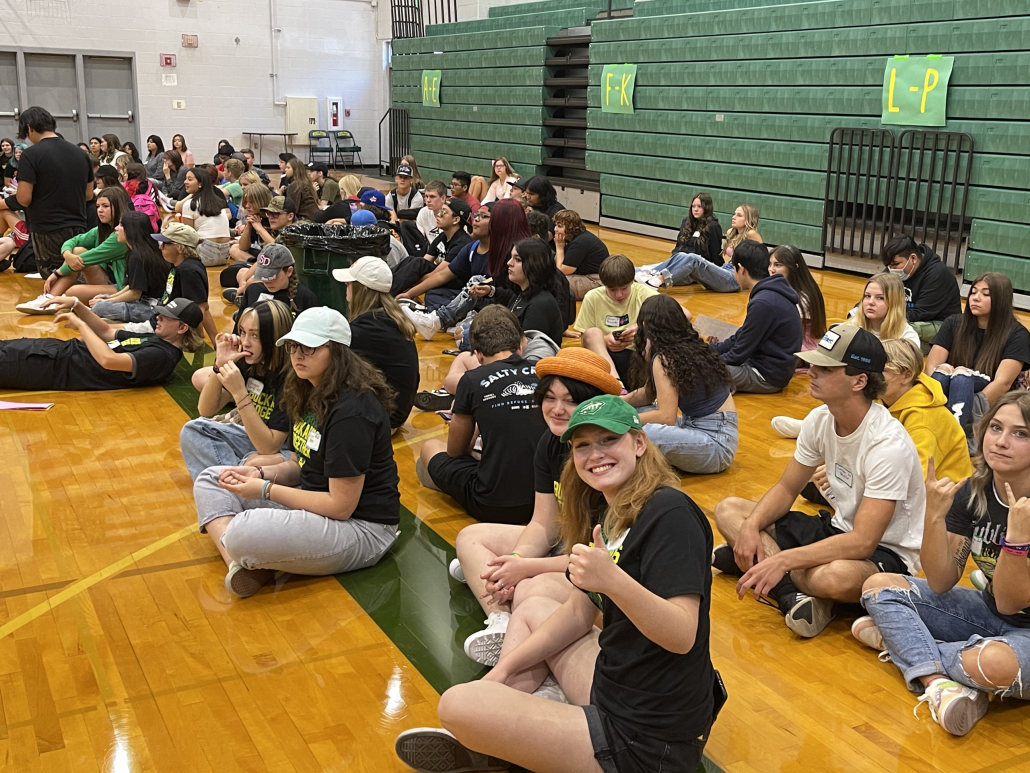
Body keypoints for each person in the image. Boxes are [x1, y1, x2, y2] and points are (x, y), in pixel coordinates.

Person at [396, 394, 717, 773]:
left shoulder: (670, 513)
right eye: (583, 446)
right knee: (533, 610)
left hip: (648, 739)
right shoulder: (615, 511)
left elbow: (681, 635)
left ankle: (523, 735)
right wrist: (499, 674)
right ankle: (536, 717)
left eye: (608, 440)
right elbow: (578, 614)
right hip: (619, 684)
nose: (595, 454)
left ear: (639, 443)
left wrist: (612, 580)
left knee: (455, 706)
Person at [713, 324, 925, 637]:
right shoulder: (820, 418)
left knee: (834, 577)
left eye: (825, 368)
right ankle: (792, 595)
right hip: (836, 530)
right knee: (730, 510)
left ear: (859, 381)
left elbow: (864, 541)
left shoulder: (888, 444)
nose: (811, 371)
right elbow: (787, 489)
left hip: (884, 553)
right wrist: (750, 526)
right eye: (813, 363)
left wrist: (782, 559)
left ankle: (763, 567)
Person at [191, 306, 401, 598]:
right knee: (211, 479)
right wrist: (261, 473)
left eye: (310, 347)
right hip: (315, 503)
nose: (298, 354)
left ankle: (253, 555)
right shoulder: (306, 388)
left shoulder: (353, 411)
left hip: (361, 528)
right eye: (293, 346)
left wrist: (265, 489)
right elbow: (300, 464)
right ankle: (242, 565)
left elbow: (340, 506)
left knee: (242, 532)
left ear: (337, 351)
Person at [855, 392, 1030, 737]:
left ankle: (904, 647)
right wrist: (934, 516)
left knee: (992, 663)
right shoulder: (975, 492)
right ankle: (940, 682)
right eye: (996, 428)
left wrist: (1017, 542)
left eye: (1020, 433)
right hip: (991, 613)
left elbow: (1013, 600)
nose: (1001, 441)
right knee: (880, 587)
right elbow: (940, 580)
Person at [450, 348, 621, 664]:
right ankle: (502, 620)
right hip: (565, 549)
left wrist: (525, 568)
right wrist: (514, 560)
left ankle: (531, 638)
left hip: (605, 571)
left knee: (531, 586)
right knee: (470, 538)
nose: (557, 409)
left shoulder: (606, 457)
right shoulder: (550, 443)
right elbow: (544, 523)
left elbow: (607, 557)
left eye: (570, 400)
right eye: (550, 398)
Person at [415, 306, 547, 525]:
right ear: (520, 347)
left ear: (477, 354)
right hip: (548, 501)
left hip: (493, 505)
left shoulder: (473, 380)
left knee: (430, 448)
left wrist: (471, 415)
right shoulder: (544, 373)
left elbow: (456, 451)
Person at [624, 294, 738, 474]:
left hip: (716, 445)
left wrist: (619, 419)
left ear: (644, 326)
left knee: (647, 431)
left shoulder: (665, 358)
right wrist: (617, 403)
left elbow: (666, 418)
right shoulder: (684, 347)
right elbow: (648, 394)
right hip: (701, 431)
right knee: (636, 412)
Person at [180, 300, 294, 479]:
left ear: (275, 337)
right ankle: (235, 477)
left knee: (257, 460)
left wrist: (240, 393)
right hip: (253, 436)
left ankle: (229, 479)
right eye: (243, 332)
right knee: (193, 431)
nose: (245, 342)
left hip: (279, 446)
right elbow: (206, 409)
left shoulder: (291, 377)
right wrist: (220, 365)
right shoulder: (249, 360)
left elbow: (269, 447)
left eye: (255, 336)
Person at [0, 296, 203, 391]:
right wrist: (76, 304)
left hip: (52, 367)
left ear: (182, 328)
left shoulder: (161, 357)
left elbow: (108, 360)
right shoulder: (156, 338)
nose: (158, 317)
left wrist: (81, 326)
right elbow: (107, 332)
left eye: (166, 316)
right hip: (55, 352)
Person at [401, 200, 530, 343]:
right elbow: (442, 275)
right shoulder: (472, 247)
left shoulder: (515, 251)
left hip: (502, 307)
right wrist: (409, 293)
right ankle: (447, 318)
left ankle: (444, 319)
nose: (476, 219)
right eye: (476, 215)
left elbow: (518, 296)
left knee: (464, 341)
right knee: (432, 289)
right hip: (482, 299)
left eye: (484, 216)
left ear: (500, 222)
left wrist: (491, 291)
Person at [926, 272, 1030, 441]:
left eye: (985, 294)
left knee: (961, 375)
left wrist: (969, 407)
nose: (975, 298)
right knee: (943, 370)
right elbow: (931, 368)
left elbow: (1003, 383)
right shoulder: (953, 322)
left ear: (1001, 300)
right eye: (973, 292)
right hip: (949, 395)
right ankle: (932, 423)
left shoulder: (1016, 333)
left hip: (988, 403)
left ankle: (956, 434)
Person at [333, 256, 420, 431]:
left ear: (361, 289)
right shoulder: (387, 317)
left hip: (385, 419)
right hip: (395, 411)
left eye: (349, 282)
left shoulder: (369, 327)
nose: (345, 285)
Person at [17, 187, 130, 311]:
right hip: (107, 280)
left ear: (118, 207)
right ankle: (49, 299)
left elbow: (89, 257)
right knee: (77, 251)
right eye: (97, 206)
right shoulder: (101, 231)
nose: (100, 210)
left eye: (105, 206)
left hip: (123, 288)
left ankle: (52, 301)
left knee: (73, 292)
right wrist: (67, 254)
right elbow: (73, 241)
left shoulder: (122, 235)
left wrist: (56, 273)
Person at [711, 240, 802, 394]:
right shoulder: (766, 294)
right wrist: (711, 350)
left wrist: (704, 359)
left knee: (698, 369)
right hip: (762, 365)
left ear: (741, 269)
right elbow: (741, 336)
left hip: (767, 376)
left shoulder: (764, 302)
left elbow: (737, 355)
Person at [14, 106, 94, 276]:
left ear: (29, 127)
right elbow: (88, 195)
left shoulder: (30, 155)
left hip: (47, 228)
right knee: (75, 275)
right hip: (79, 224)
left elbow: (24, 199)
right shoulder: (80, 154)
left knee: (53, 278)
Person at [123, 222, 217, 345]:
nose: (160, 247)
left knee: (108, 330)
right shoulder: (179, 265)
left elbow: (201, 308)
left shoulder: (188, 271)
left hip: (166, 328)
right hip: (159, 319)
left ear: (181, 248)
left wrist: (212, 342)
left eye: (165, 244)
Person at [575, 253, 658, 388]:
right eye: (612, 290)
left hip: (638, 356)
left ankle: (645, 387)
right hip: (605, 357)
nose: (619, 294)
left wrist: (640, 328)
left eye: (624, 288)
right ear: (603, 285)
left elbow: (683, 314)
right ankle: (617, 386)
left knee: (656, 332)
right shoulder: (592, 297)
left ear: (632, 282)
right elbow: (585, 341)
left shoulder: (642, 293)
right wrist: (605, 340)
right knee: (592, 333)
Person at [633, 194, 733, 290]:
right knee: (641, 269)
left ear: (707, 208)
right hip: (678, 261)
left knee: (648, 273)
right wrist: (671, 262)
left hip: (690, 271)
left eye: (699, 206)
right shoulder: (686, 221)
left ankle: (650, 278)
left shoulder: (713, 226)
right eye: (693, 206)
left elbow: (716, 254)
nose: (695, 209)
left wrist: (719, 273)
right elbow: (677, 248)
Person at [881, 234, 962, 346]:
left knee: (899, 329)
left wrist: (882, 317)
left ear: (913, 258)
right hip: (905, 317)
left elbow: (920, 313)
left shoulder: (937, 274)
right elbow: (875, 290)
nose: (891, 270)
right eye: (889, 266)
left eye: (895, 264)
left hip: (937, 323)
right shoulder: (893, 268)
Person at [90, 211, 170, 322]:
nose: (116, 229)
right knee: (102, 298)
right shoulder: (142, 250)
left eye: (121, 225)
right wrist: (108, 298)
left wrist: (106, 302)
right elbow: (132, 285)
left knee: (99, 307)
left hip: (151, 308)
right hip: (147, 302)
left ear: (131, 230)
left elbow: (135, 294)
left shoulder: (137, 257)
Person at [489, 237, 566, 345]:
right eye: (511, 257)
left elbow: (525, 348)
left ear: (535, 265)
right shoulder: (522, 293)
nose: (509, 263)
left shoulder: (540, 304)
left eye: (518, 259)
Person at [233, 244, 320, 329]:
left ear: (289, 271)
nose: (267, 282)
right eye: (263, 275)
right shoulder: (253, 290)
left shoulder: (306, 298)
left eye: (272, 277)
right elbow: (238, 332)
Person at [768, 243, 826, 351]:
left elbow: (786, 332)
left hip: (803, 346)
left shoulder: (804, 297)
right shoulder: (783, 288)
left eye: (777, 265)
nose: (771, 269)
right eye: (770, 264)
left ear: (793, 267)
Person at [849, 274, 921, 347]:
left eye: (880, 298)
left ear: (895, 303)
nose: (870, 302)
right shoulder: (850, 327)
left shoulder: (908, 338)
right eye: (868, 296)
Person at [181, 166, 232, 266]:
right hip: (225, 254)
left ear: (200, 184)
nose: (185, 182)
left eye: (189, 179)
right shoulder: (218, 201)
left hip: (204, 253)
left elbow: (188, 236)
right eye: (185, 178)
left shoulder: (189, 204)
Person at [553, 209, 608, 300]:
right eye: (556, 225)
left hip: (596, 280)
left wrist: (559, 247)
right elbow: (556, 264)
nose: (555, 229)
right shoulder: (575, 238)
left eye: (559, 226)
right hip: (584, 275)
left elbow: (562, 271)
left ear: (570, 227)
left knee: (556, 282)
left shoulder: (580, 242)